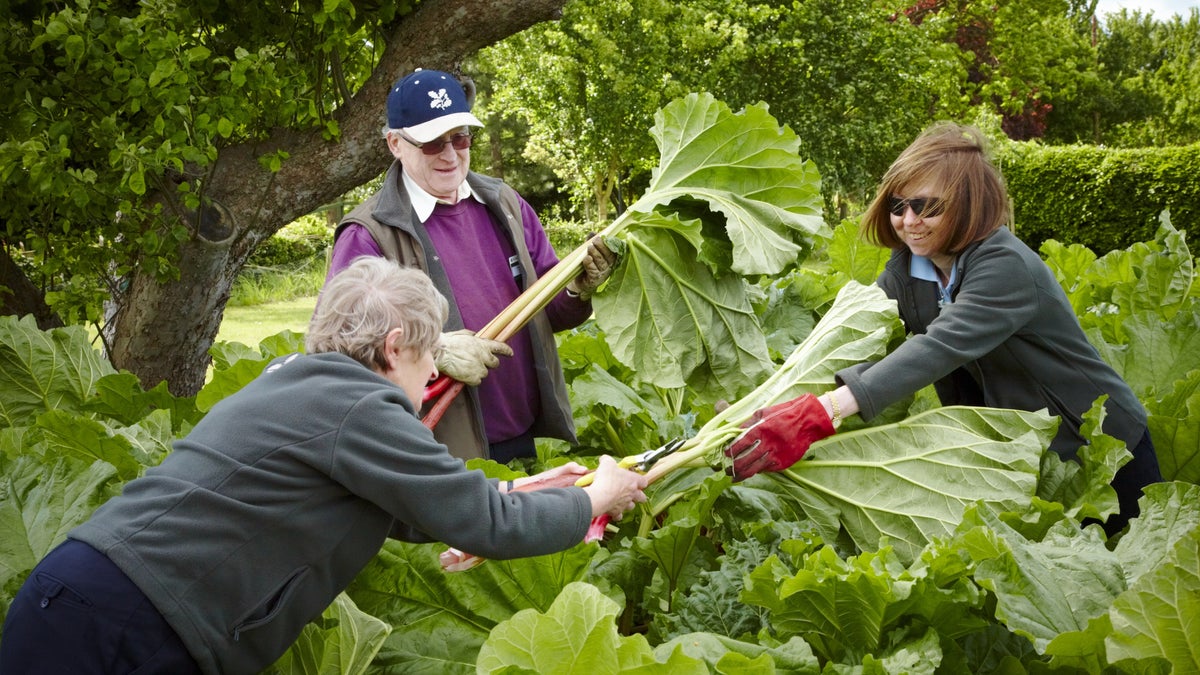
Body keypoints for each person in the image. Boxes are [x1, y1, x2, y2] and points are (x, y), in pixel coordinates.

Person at [0, 257, 648, 675]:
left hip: (81, 592)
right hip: (131, 624)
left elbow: (404, 499)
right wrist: (598, 496)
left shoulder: (297, 381)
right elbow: (482, 519)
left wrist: (522, 489)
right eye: (430, 361)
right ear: (396, 347)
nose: (430, 378)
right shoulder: (358, 406)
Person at [725, 122, 1162, 536]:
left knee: (1130, 578)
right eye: (899, 205)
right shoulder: (909, 268)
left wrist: (822, 414)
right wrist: (765, 405)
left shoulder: (1005, 266)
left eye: (927, 206)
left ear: (969, 206)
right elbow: (857, 341)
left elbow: (938, 348)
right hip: (1023, 453)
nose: (909, 220)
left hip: (1100, 446)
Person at [324, 67, 615, 464]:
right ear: (395, 143)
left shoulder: (506, 204)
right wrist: (434, 348)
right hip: (440, 454)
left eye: (459, 137)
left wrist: (577, 288)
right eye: (431, 143)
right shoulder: (369, 233)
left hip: (524, 439)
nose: (449, 154)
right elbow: (340, 352)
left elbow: (551, 313)